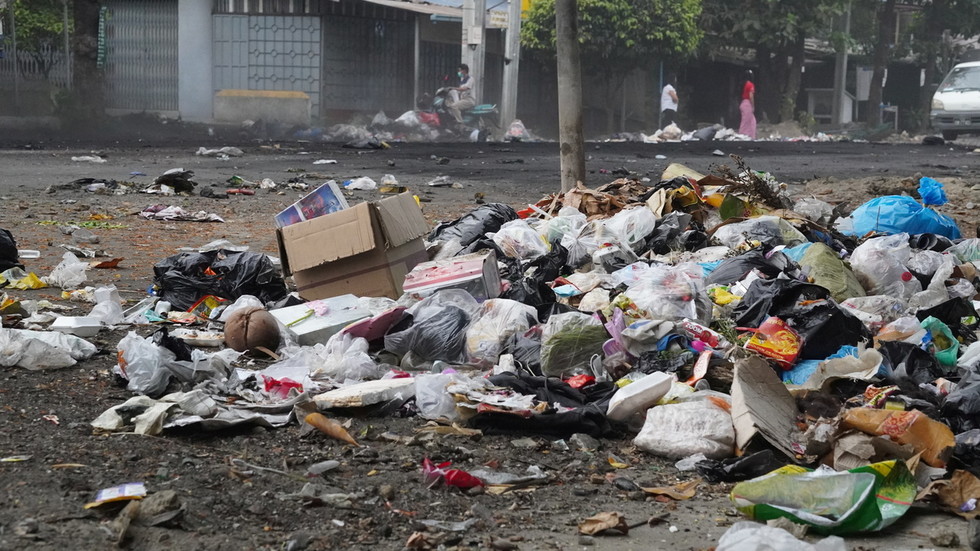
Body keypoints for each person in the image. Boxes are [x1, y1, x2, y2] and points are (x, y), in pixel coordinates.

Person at [739, 69, 757, 139]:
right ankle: (742, 136)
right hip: (747, 104)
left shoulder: (745, 84)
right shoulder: (750, 85)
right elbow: (751, 96)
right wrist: (753, 106)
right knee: (745, 122)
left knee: (752, 121)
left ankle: (751, 136)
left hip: (744, 103)